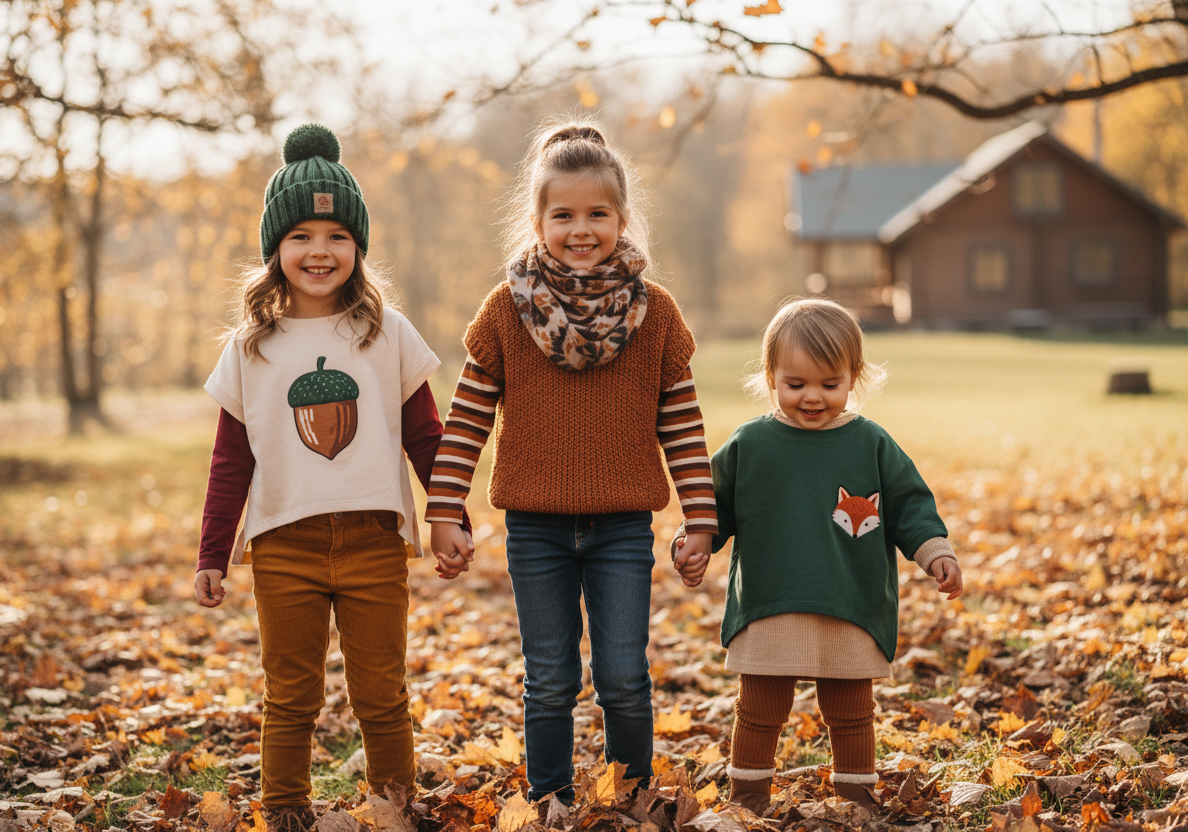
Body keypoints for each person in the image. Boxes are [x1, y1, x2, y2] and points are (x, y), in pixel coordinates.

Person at [424, 119, 717, 804]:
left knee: (623, 674)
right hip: (536, 527)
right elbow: (466, 420)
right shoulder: (506, 311)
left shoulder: (655, 313)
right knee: (549, 675)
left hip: (621, 526)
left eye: (597, 214)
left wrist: (699, 519)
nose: (581, 229)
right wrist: (444, 511)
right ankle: (549, 795)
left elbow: (683, 425)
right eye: (563, 214)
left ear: (621, 219)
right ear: (537, 220)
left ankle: (632, 790)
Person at [193, 124, 470, 832]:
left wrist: (449, 517)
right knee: (291, 691)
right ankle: (285, 808)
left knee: (382, 689)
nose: (320, 251)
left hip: (376, 539)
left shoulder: (386, 332)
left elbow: (426, 437)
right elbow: (232, 460)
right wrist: (213, 552)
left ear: (359, 247)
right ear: (275, 249)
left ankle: (395, 804)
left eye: (338, 236)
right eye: (302, 236)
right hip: (284, 544)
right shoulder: (252, 347)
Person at [678, 297, 964, 813]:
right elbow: (712, 504)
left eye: (829, 385)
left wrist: (934, 552)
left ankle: (856, 797)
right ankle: (747, 798)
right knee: (760, 708)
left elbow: (909, 505)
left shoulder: (871, 443)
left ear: (853, 377)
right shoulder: (751, 444)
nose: (813, 397)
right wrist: (693, 542)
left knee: (851, 710)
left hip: (849, 598)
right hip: (771, 598)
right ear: (770, 376)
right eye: (796, 385)